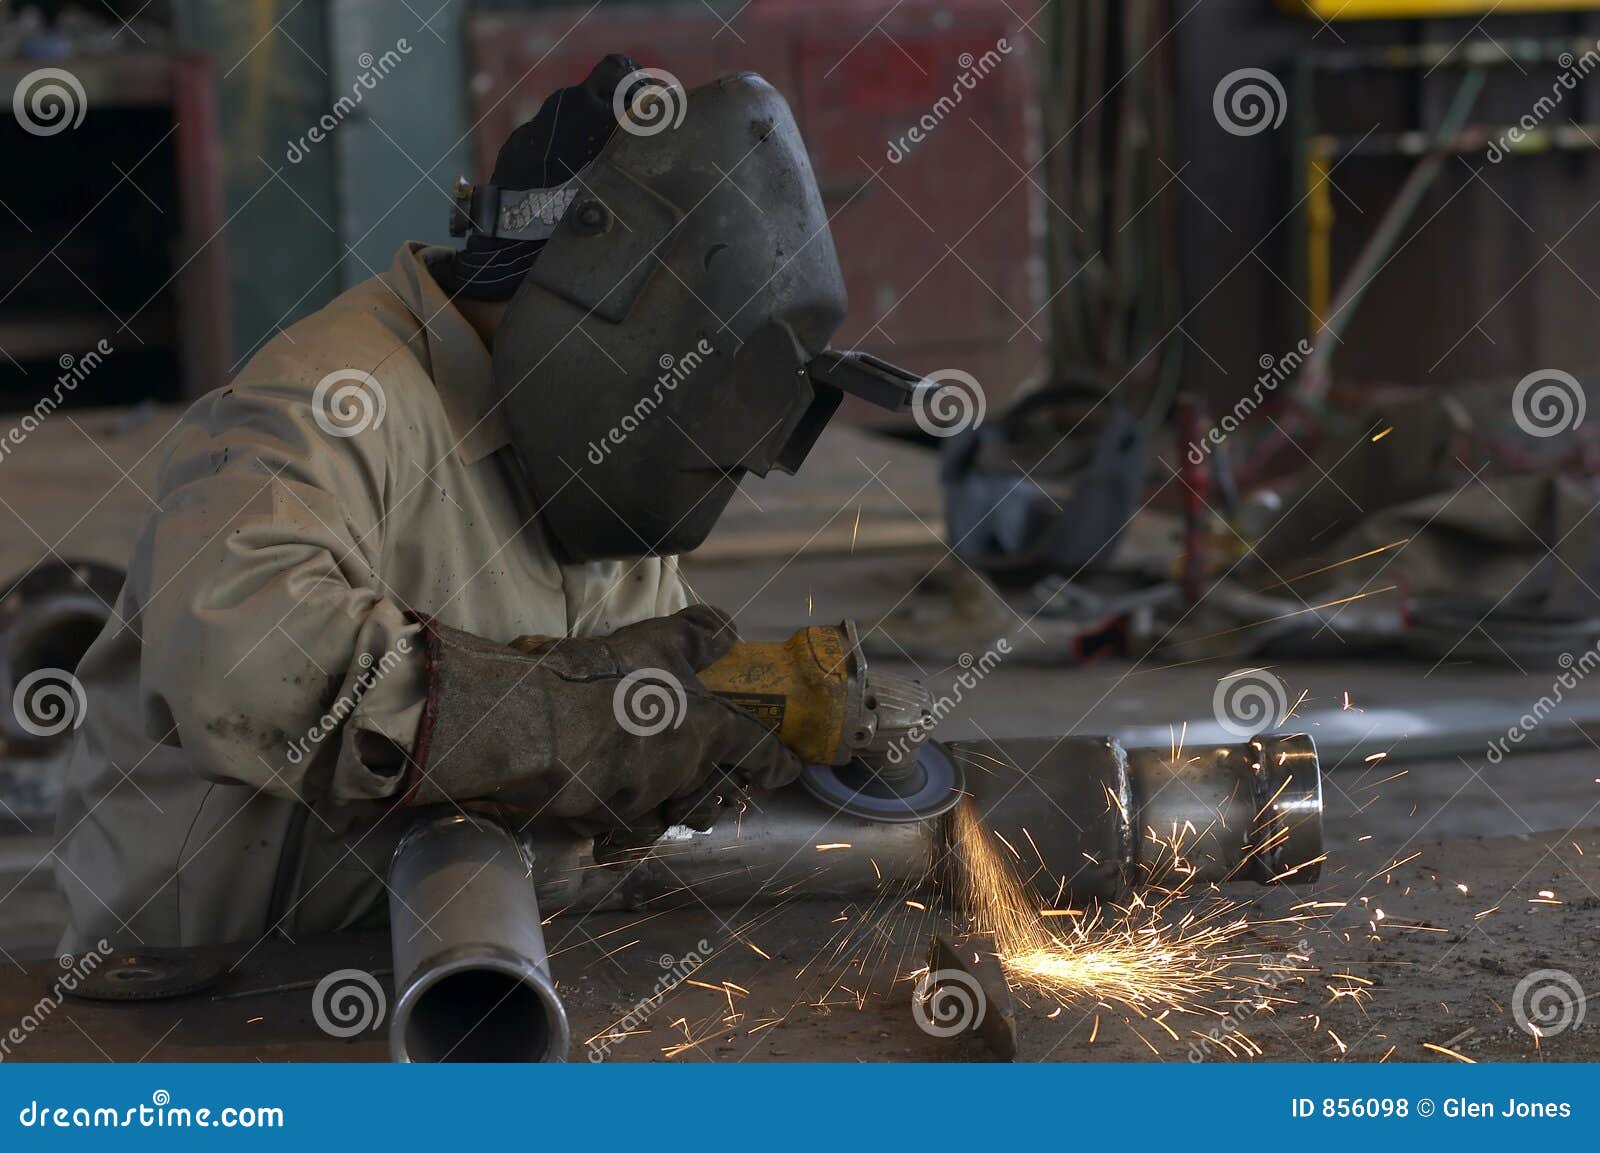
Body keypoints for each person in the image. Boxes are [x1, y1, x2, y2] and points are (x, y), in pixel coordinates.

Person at [54, 57, 894, 949]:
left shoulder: (598, 455)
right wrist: (591, 720)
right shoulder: (331, 399)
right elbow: (236, 664)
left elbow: (613, 761)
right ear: (595, 288)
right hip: (210, 983)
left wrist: (694, 747)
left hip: (471, 969)